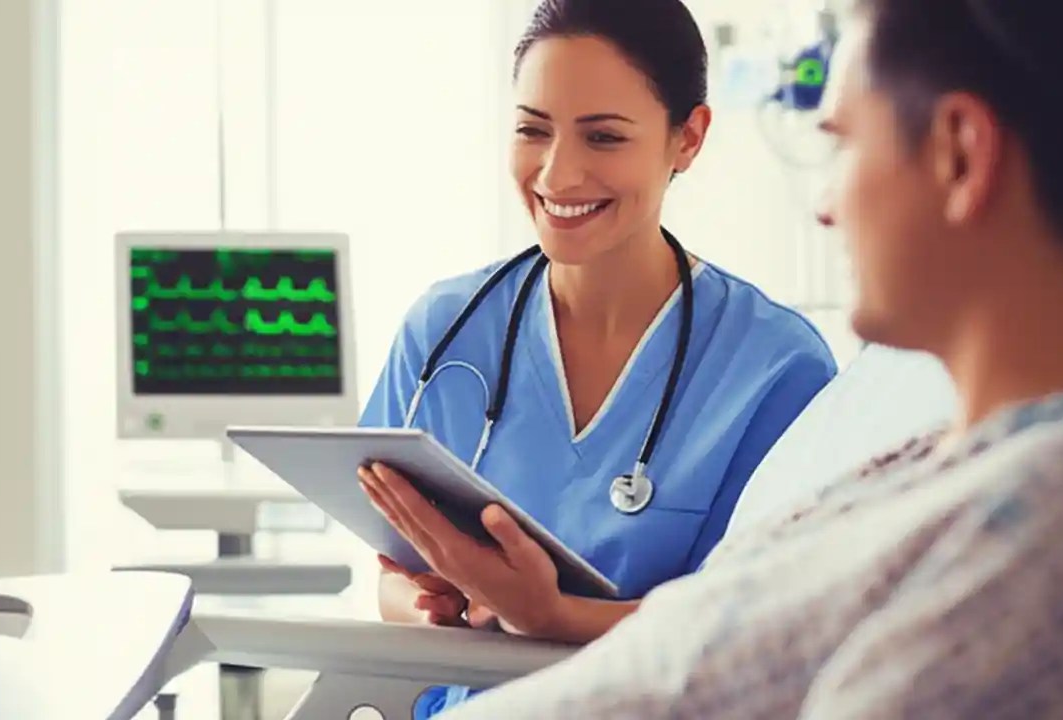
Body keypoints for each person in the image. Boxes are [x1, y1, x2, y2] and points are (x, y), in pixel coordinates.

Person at [423, 0, 1063, 716]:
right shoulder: (936, 467)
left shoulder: (1049, 534)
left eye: (843, 141)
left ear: (960, 154)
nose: (825, 204)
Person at [356, 0, 836, 715]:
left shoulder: (775, 369)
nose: (558, 173)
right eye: (532, 130)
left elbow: (768, 627)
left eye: (604, 137)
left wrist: (547, 615)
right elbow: (394, 574)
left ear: (688, 139)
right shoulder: (444, 330)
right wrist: (434, 606)